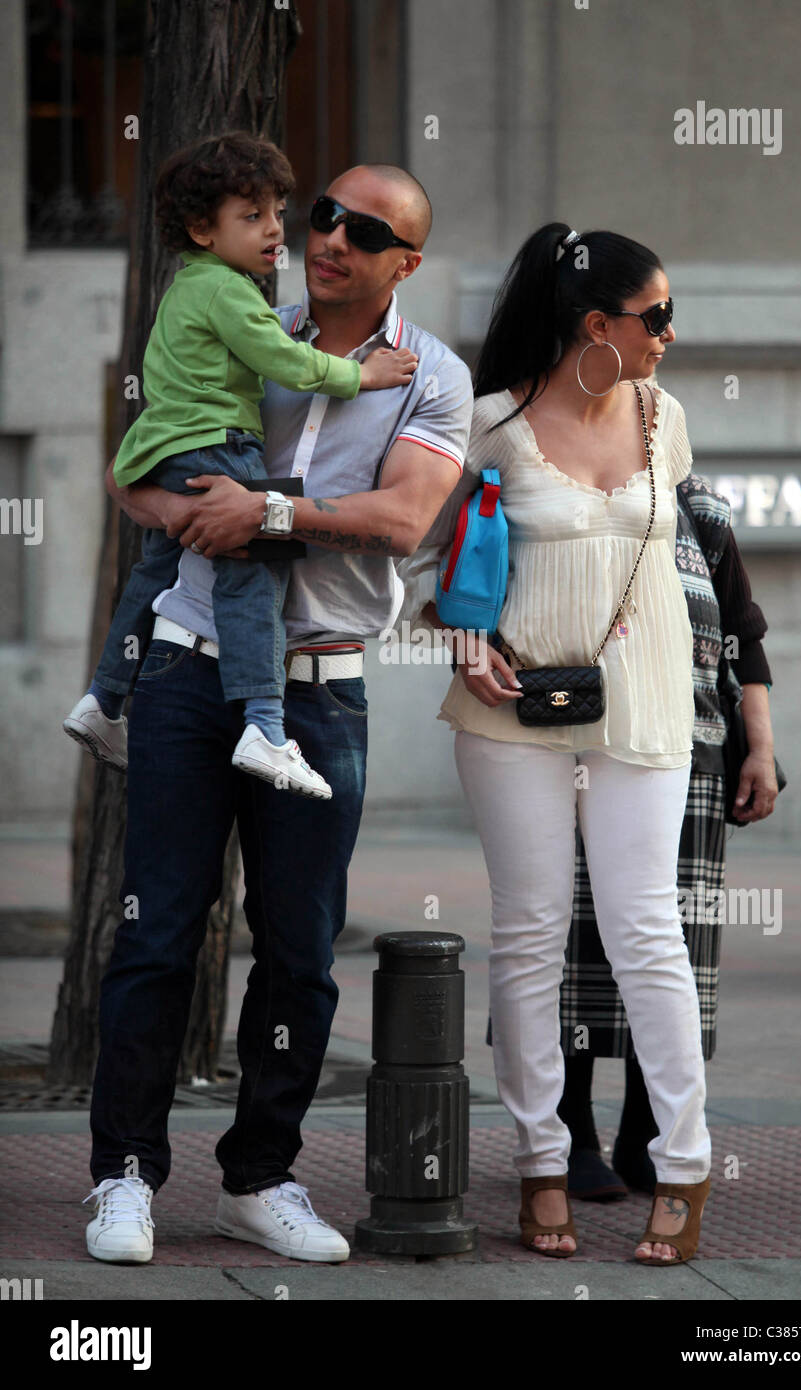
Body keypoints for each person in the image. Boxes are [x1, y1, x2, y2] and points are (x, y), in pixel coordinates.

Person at [81, 163, 473, 1266]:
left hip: (321, 691)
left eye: (366, 228)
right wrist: (175, 507)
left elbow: (402, 519)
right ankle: (122, 1174)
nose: (330, 236)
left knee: (298, 953)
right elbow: (139, 474)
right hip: (184, 672)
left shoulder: (429, 376)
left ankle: (259, 1175)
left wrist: (263, 511)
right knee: (156, 934)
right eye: (321, 215)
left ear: (406, 260)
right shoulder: (233, 309)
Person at [398, 223, 713, 1263]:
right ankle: (540, 1161)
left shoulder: (665, 420)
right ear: (595, 324)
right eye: (653, 316)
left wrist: (740, 693)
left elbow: (691, 564)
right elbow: (419, 566)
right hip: (510, 711)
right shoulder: (491, 423)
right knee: (530, 933)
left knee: (645, 933)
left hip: (645, 706)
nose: (668, 332)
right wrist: (457, 640)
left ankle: (682, 1162)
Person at [64, 132, 418, 798]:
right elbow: (287, 363)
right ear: (202, 228)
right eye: (252, 216)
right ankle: (263, 725)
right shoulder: (229, 291)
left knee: (155, 570)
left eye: (279, 212)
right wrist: (361, 376)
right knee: (255, 582)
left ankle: (104, 698)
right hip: (218, 447)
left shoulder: (187, 289)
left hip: (168, 451)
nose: (275, 231)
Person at [557, 476, 778, 1200]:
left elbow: (744, 633)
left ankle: (643, 1136)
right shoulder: (562, 481)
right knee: (574, 941)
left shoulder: (699, 506)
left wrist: (761, 750)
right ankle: (571, 1134)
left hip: (692, 745)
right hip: (580, 742)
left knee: (675, 943)